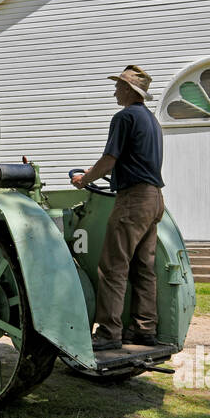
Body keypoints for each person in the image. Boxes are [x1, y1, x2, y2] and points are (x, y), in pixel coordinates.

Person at [71, 65, 165, 352]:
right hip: (155, 199)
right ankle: (144, 328)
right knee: (143, 268)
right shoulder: (151, 121)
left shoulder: (123, 117)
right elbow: (131, 160)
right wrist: (93, 170)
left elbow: (110, 159)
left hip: (133, 201)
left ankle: (109, 332)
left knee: (113, 267)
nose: (115, 90)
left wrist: (84, 179)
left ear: (128, 90)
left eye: (118, 86)